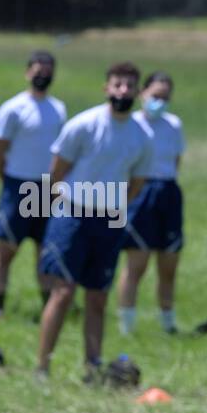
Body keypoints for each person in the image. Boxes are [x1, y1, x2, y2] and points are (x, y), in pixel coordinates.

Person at [36, 61, 153, 378]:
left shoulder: (142, 136)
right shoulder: (84, 124)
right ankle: (42, 366)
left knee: (98, 296)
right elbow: (57, 171)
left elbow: (137, 182)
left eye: (130, 85)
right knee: (62, 292)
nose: (123, 90)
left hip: (109, 218)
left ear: (138, 91)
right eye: (118, 84)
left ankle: (93, 366)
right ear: (106, 88)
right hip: (72, 213)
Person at [0, 50, 66, 317]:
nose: (42, 75)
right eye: (37, 69)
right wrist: (7, 180)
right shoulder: (13, 109)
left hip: (46, 186)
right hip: (18, 185)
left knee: (45, 249)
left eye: (47, 71)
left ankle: (47, 305)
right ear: (27, 72)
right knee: (6, 248)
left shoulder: (58, 108)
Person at [117, 71, 185, 335]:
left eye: (165, 97)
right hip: (139, 193)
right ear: (142, 94)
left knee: (168, 265)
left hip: (167, 192)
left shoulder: (174, 125)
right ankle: (126, 326)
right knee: (137, 264)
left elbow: (176, 161)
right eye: (155, 96)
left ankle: (168, 324)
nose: (160, 102)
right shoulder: (131, 124)